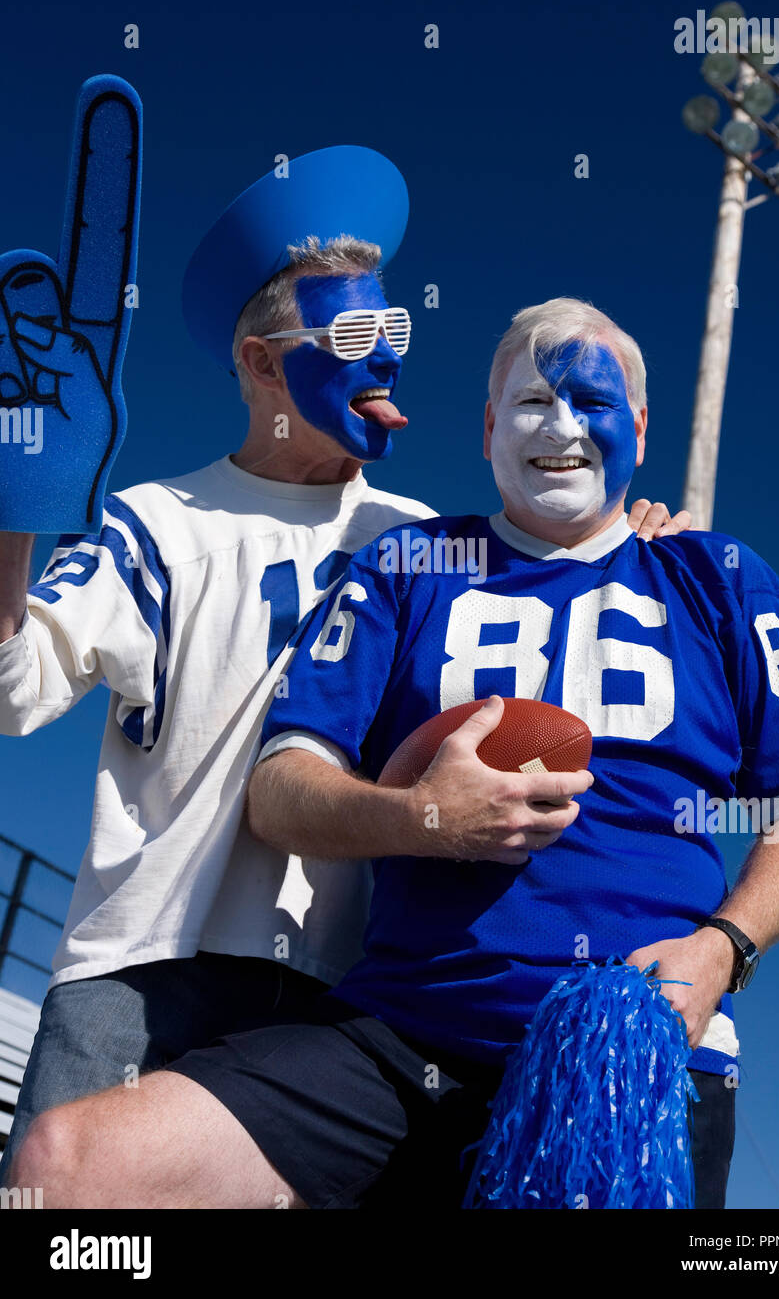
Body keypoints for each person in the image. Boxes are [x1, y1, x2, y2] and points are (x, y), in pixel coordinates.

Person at [8, 297, 779, 1209]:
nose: (561, 426)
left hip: (628, 1042)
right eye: (531, 403)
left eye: (594, 404)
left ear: (639, 425)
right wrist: (422, 817)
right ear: (487, 428)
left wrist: (723, 951)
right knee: (69, 1173)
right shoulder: (407, 563)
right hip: (397, 1035)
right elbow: (281, 790)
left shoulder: (720, 577)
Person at [0, 105, 691, 1173]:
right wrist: (19, 500)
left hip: (340, 1011)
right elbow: (10, 691)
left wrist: (627, 533)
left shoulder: (428, 543)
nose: (389, 367)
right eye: (359, 340)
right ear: (262, 365)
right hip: (144, 976)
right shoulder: (157, 523)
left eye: (398, 336)